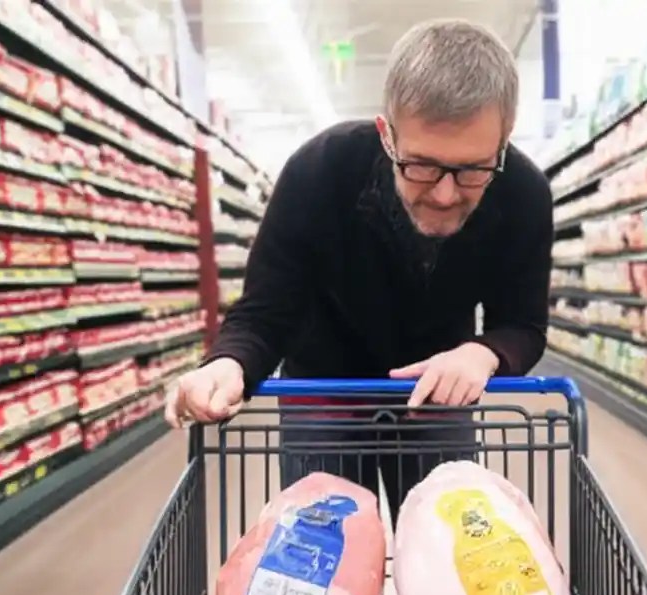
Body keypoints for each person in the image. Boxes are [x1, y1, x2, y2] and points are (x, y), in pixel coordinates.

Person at [165, 18, 553, 518]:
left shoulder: (522, 192)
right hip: (323, 392)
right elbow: (265, 311)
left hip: (436, 394)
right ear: (386, 134)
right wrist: (227, 363)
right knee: (327, 571)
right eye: (422, 165)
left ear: (504, 140)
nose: (444, 193)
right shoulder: (319, 170)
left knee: (443, 563)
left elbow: (522, 323)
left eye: (474, 169)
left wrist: (482, 354)